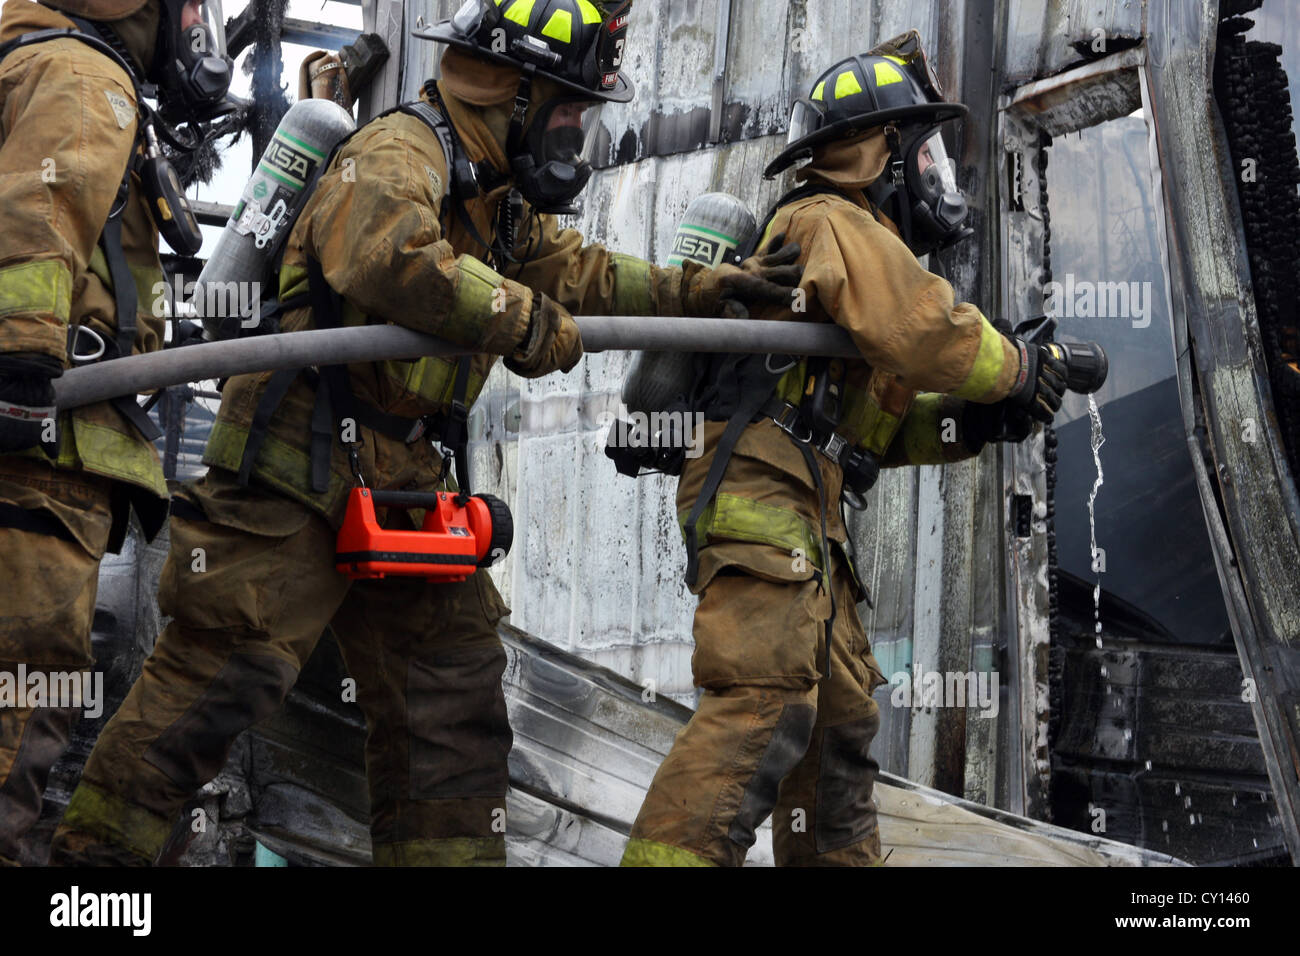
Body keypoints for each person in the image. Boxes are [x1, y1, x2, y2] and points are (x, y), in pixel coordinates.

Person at [51, 0, 802, 867]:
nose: (574, 137)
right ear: (509, 91)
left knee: (451, 712)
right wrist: (521, 320)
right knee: (215, 686)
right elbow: (387, 254)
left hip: (408, 478)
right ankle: (89, 877)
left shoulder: (498, 199)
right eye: (565, 112)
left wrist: (700, 290)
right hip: (296, 462)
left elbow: (583, 273)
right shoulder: (398, 148)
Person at [621, 31, 1068, 867]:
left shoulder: (840, 242)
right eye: (923, 155)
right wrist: (1017, 370)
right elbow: (925, 326)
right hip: (762, 492)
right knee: (761, 704)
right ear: (878, 158)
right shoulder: (827, 216)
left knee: (837, 728)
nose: (935, 178)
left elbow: (876, 430)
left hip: (804, 508)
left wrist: (980, 421)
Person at [0, 0, 232, 865]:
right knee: (15, 721)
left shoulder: (26, 55)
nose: (199, 26)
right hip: (36, 458)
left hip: (50, 454)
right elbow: (38, 210)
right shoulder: (83, 73)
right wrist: (22, 372)